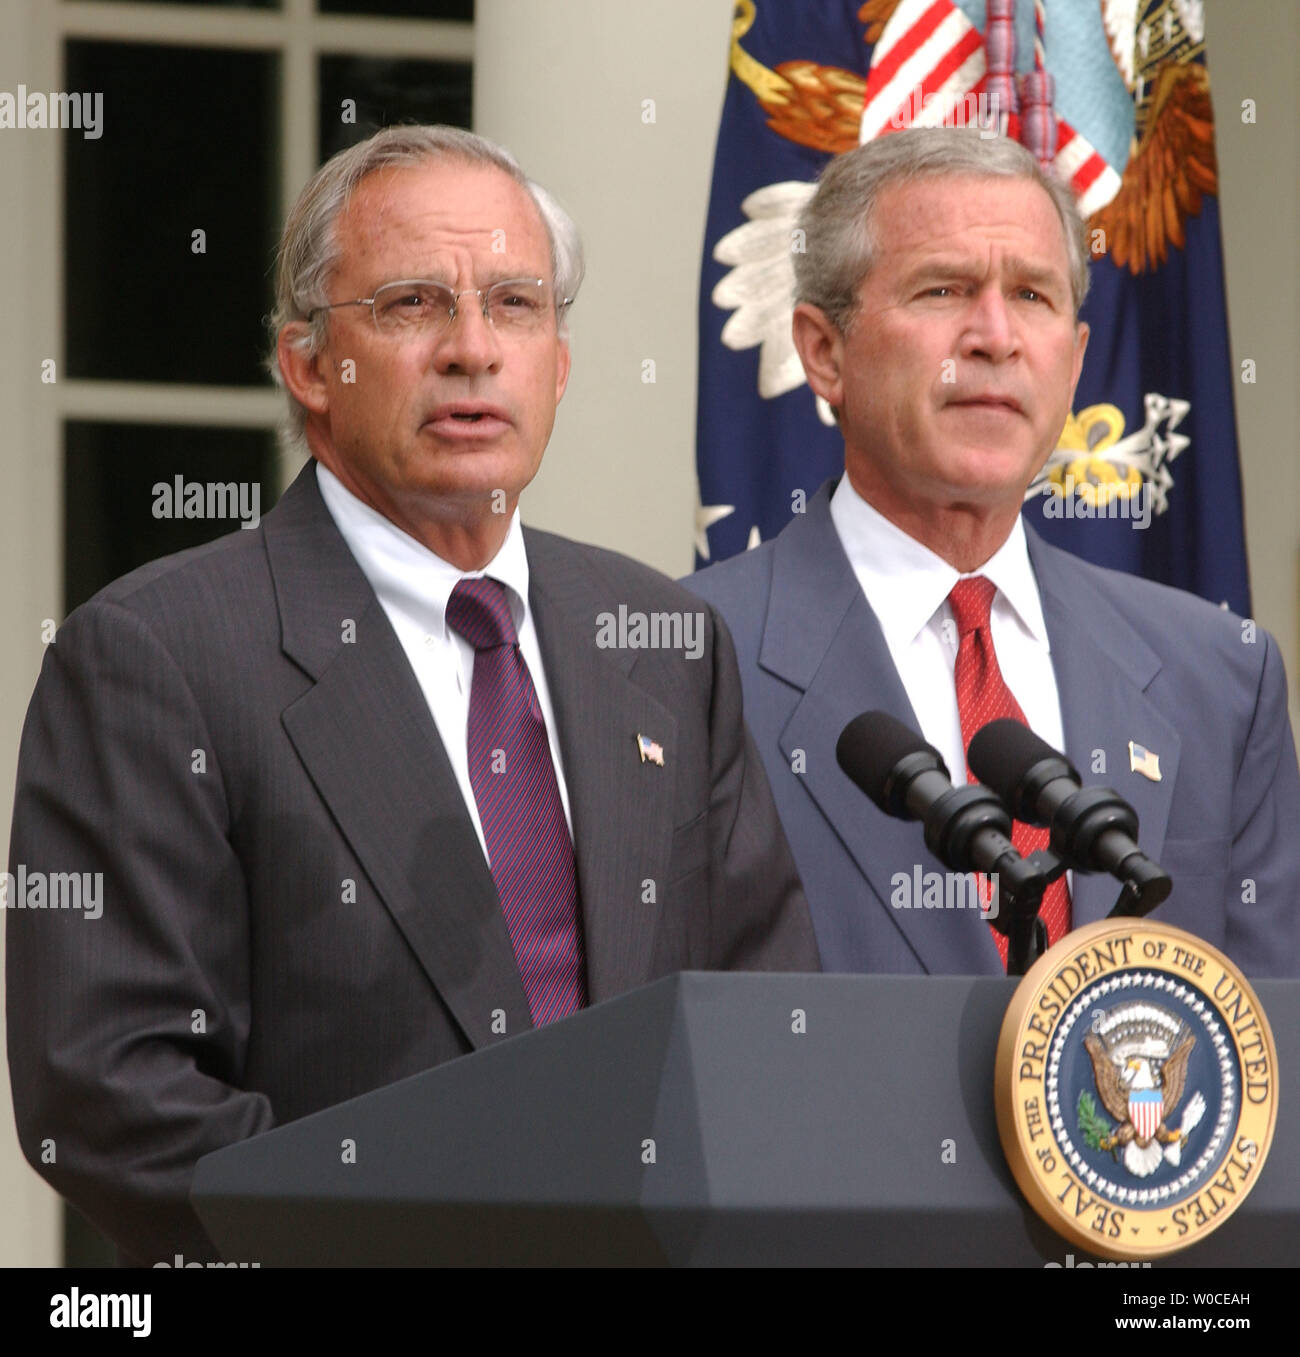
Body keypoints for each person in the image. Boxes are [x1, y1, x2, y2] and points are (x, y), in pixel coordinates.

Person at [6, 125, 819, 1266]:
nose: (472, 350)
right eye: (410, 305)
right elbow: (108, 1092)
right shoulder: (158, 656)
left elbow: (766, 1035)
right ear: (304, 364)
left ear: (562, 360)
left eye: (517, 305)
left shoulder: (666, 641)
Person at [686, 127, 1300, 979]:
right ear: (824, 352)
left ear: (1076, 361)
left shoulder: (1223, 679)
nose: (995, 337)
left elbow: (1270, 1058)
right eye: (943, 290)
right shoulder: (686, 665)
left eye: (1035, 297)